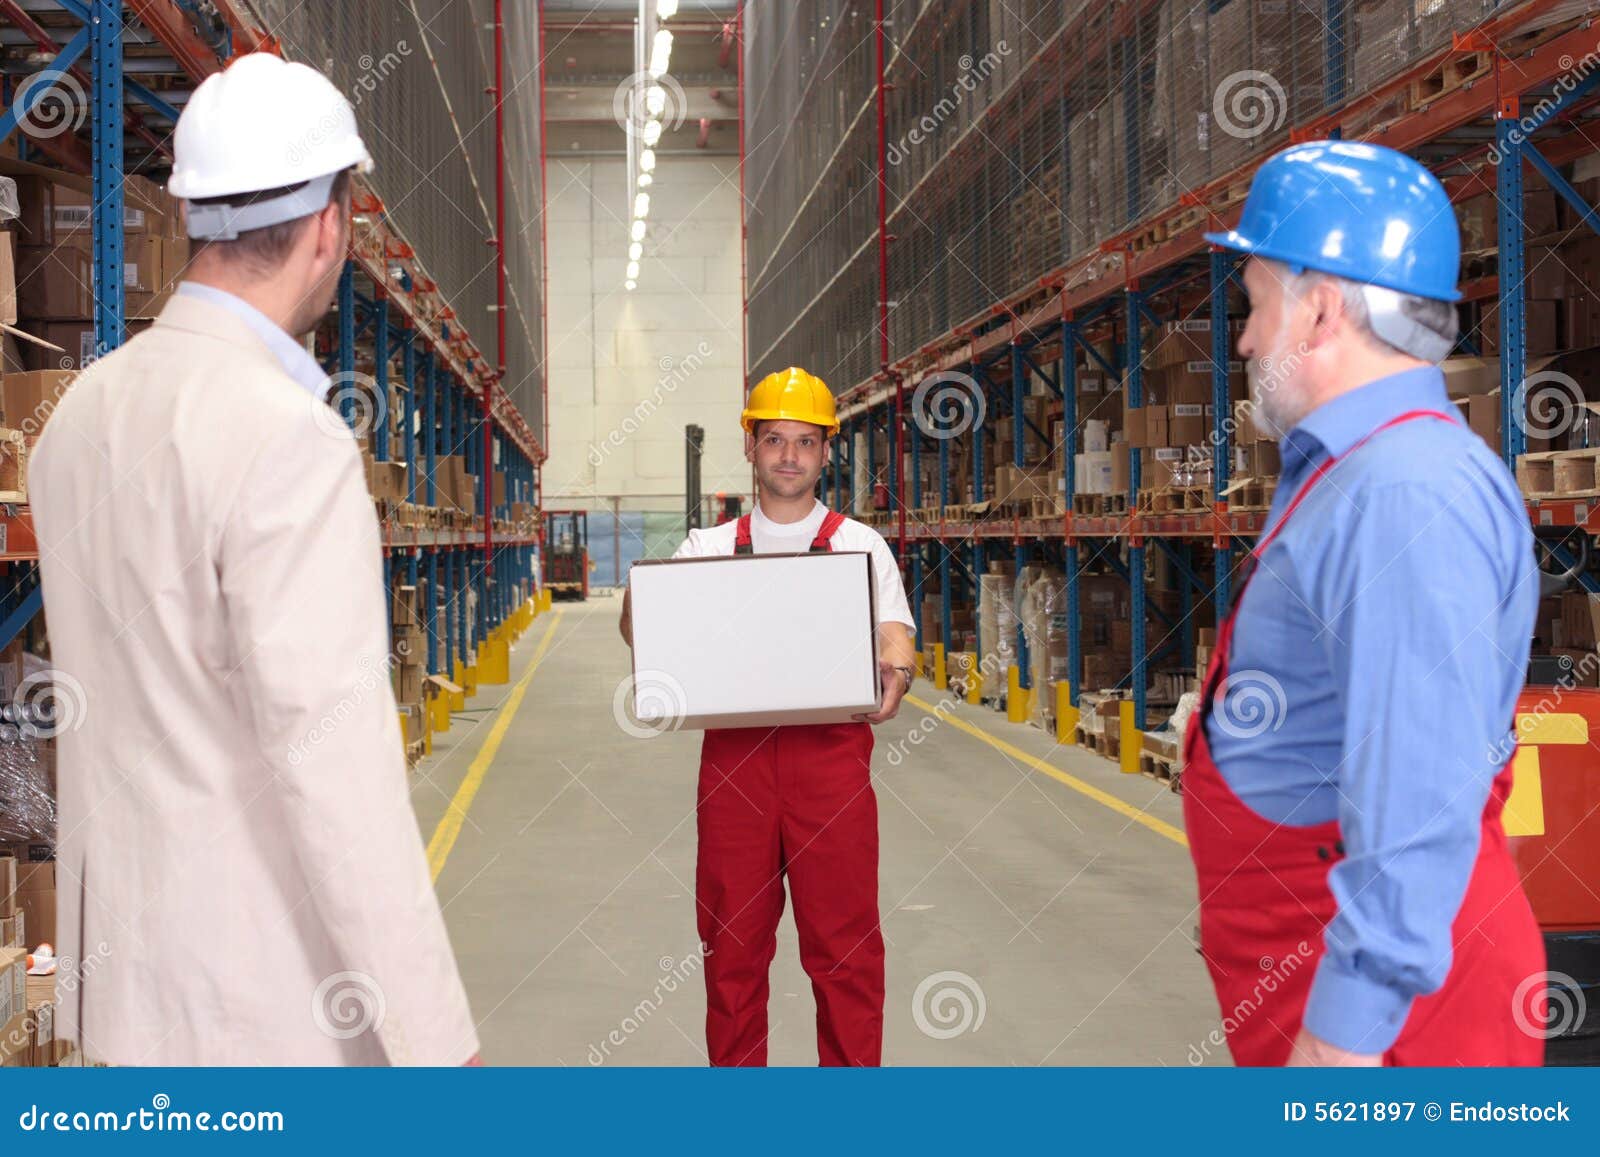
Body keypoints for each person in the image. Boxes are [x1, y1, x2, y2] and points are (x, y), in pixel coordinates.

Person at [30, 53, 479, 1065]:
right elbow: (338, 777)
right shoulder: (289, 440)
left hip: (120, 1009)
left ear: (193, 214)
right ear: (332, 225)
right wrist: (435, 1041)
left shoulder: (77, 420)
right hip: (267, 1016)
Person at [1185, 139, 1543, 1066]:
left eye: (1257, 302)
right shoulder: (1359, 474)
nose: (1246, 338)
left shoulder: (1401, 495)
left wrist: (1339, 1047)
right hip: (1326, 968)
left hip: (1399, 1032)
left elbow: (1418, 804)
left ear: (1323, 305)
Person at [620, 367, 917, 1065]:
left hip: (831, 775)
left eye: (805, 442)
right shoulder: (706, 548)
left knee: (845, 954)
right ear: (751, 446)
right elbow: (646, 629)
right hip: (736, 777)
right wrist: (647, 604)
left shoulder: (861, 545)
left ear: (824, 452)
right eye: (775, 439)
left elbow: (895, 633)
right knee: (732, 955)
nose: (790, 455)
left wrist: (895, 672)